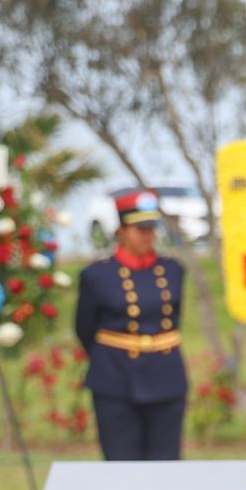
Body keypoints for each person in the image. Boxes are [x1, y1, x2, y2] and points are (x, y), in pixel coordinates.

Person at [74, 189, 187, 459]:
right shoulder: (98, 275)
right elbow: (84, 327)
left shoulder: (172, 270)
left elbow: (173, 319)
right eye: (140, 229)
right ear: (122, 231)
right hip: (116, 377)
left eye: (151, 229)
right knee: (121, 465)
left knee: (166, 464)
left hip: (165, 375)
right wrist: (111, 356)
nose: (148, 236)